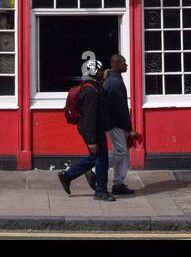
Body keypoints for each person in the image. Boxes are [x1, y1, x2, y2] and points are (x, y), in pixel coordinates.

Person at [58, 57, 115, 202]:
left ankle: (68, 175)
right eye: (101, 70)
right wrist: (92, 140)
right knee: (101, 160)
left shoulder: (93, 87)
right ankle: (101, 191)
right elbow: (90, 117)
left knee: (96, 158)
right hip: (92, 131)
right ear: (94, 72)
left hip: (94, 129)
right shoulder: (90, 92)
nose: (103, 73)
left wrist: (104, 78)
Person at [103, 53, 140, 196]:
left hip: (117, 123)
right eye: (124, 63)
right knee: (121, 151)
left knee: (124, 154)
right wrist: (129, 129)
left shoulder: (114, 79)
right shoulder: (114, 82)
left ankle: (118, 183)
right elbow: (120, 108)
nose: (126, 65)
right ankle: (95, 168)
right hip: (114, 123)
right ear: (116, 64)